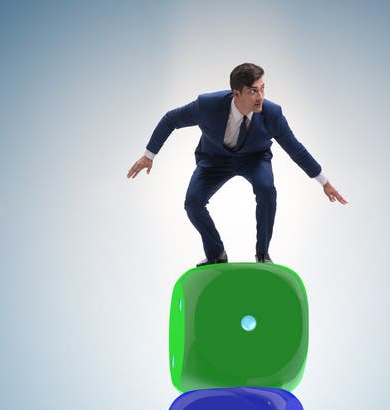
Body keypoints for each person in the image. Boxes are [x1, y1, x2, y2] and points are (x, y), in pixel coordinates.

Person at [127, 62, 347, 265]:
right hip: (214, 161)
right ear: (236, 93)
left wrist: (324, 182)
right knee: (193, 203)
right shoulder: (207, 106)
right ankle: (216, 254)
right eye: (253, 90)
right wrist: (149, 155)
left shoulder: (273, 114)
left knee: (267, 189)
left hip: (254, 159)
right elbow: (171, 119)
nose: (260, 96)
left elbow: (295, 148)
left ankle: (263, 254)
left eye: (262, 89)